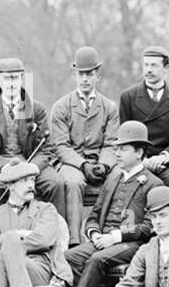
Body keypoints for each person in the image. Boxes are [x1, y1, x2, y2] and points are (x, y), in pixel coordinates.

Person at [55, 120, 161, 287]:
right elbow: (94, 216)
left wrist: (115, 236)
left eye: (123, 149)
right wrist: (93, 233)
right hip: (102, 240)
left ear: (139, 152)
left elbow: (150, 227)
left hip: (132, 244)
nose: (117, 154)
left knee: (96, 259)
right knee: (66, 258)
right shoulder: (113, 178)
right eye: (116, 149)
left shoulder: (153, 184)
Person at [0, 57, 66, 218]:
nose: (11, 84)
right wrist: (5, 167)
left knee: (56, 183)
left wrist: (33, 167)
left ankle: (56, 235)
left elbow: (46, 148)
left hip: (29, 161)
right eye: (6, 78)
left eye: (15, 78)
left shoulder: (36, 108)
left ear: (22, 79)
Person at [48, 45, 120, 245]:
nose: (85, 79)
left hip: (101, 161)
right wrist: (83, 165)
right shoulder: (62, 106)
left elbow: (112, 143)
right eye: (81, 74)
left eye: (90, 74)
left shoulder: (109, 107)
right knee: (73, 183)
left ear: (98, 76)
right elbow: (61, 146)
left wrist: (105, 165)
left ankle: (112, 236)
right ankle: (74, 242)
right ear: (75, 76)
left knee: (119, 178)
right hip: (73, 163)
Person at [116, 45, 169, 209]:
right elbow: (123, 139)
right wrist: (141, 159)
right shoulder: (128, 97)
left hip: (168, 163)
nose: (148, 70)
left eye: (154, 65)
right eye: (146, 65)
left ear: (166, 68)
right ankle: (132, 230)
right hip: (137, 160)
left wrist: (165, 156)